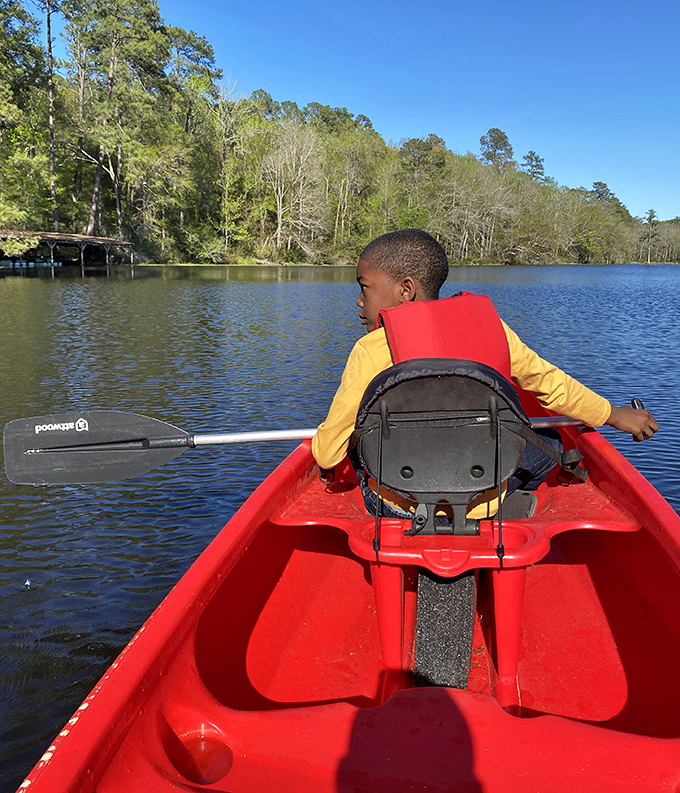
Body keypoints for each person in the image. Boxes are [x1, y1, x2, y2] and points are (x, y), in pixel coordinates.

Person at [311, 229, 659, 521]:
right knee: (553, 442)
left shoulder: (371, 349)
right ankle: (495, 508)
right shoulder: (495, 330)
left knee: (354, 449)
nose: (359, 301)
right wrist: (614, 415)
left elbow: (328, 455)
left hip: (397, 507)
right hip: (481, 499)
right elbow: (552, 385)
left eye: (364, 287)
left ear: (405, 289)